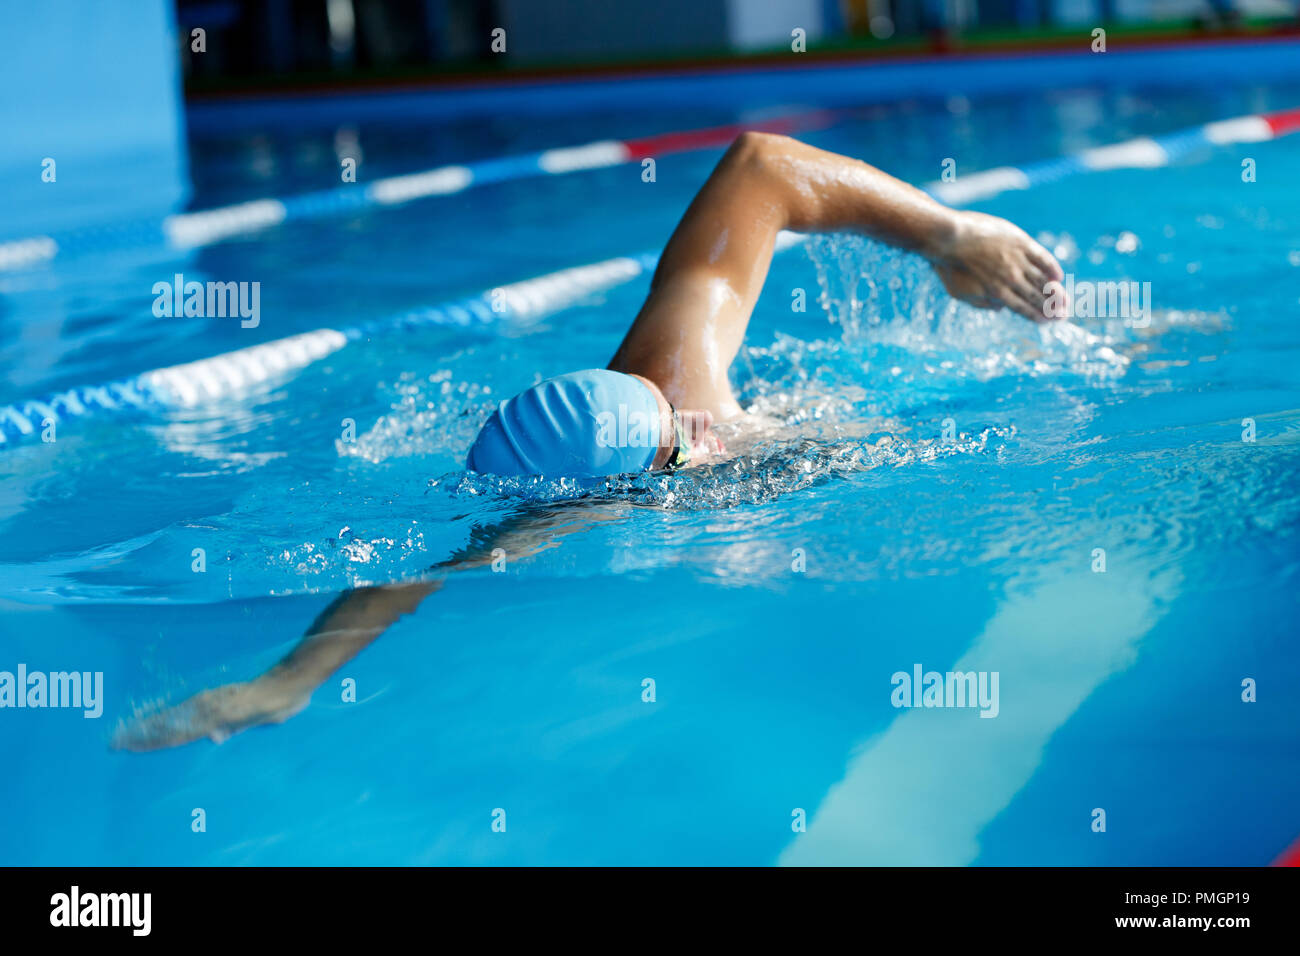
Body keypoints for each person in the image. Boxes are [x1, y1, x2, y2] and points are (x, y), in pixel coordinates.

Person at [114, 131, 1065, 750]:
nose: (680, 424)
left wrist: (950, 234)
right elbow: (434, 562)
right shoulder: (656, 412)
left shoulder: (681, 384)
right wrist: (285, 682)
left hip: (837, 414)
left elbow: (761, 165)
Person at [464, 131, 1063, 480]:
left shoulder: (670, 377)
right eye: (675, 444)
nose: (700, 429)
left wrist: (950, 236)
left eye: (672, 410)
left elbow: (761, 167)